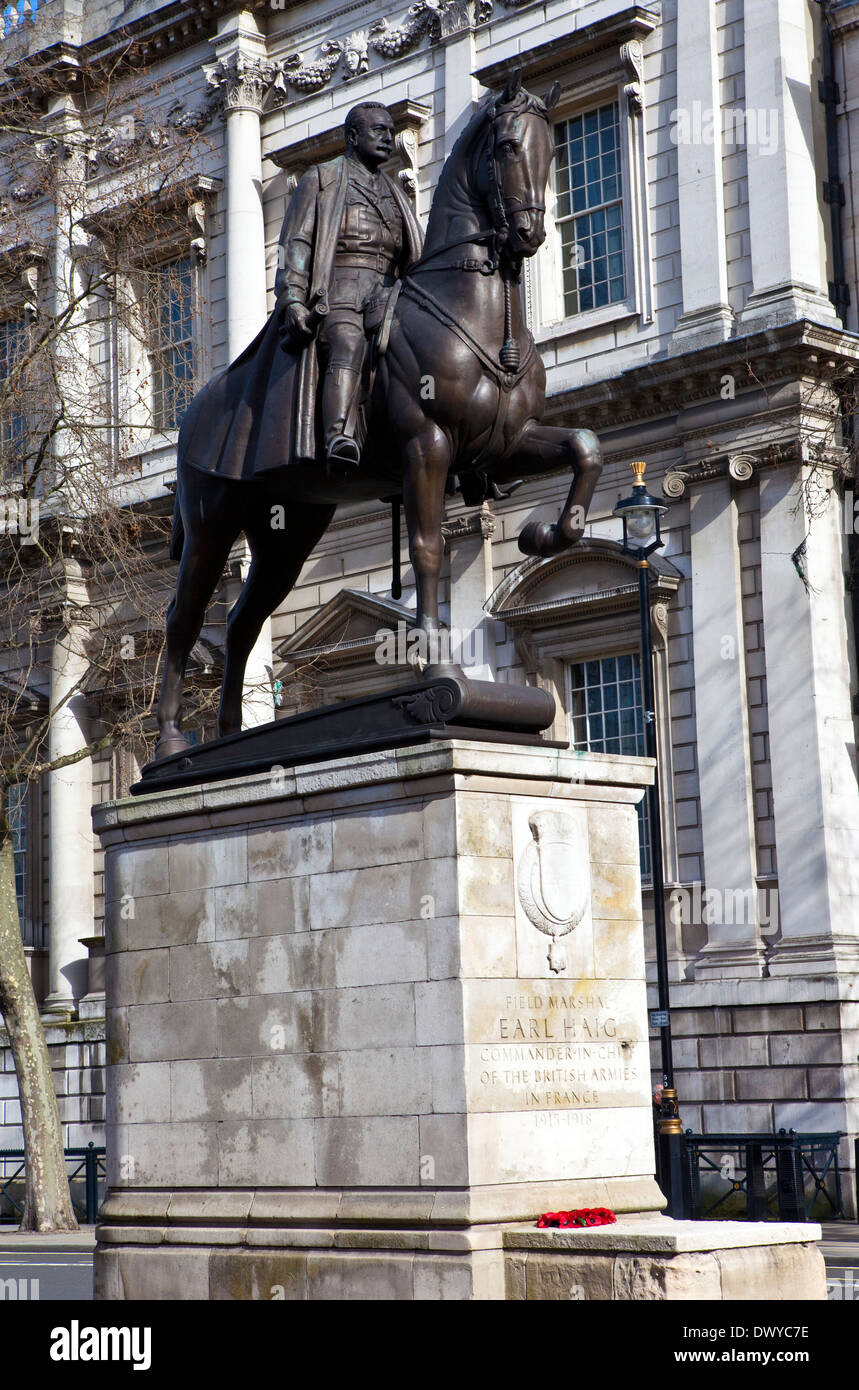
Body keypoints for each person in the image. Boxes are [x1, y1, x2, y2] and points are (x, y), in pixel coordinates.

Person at [274, 101, 423, 472]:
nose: (388, 138)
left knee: (433, 344)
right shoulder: (322, 179)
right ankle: (338, 437)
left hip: (390, 294)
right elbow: (295, 244)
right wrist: (292, 298)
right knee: (348, 341)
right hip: (340, 294)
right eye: (379, 131)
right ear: (353, 137)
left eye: (391, 131)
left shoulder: (395, 192)